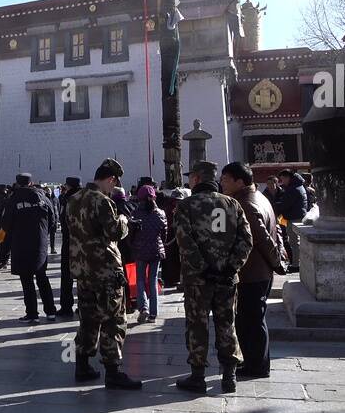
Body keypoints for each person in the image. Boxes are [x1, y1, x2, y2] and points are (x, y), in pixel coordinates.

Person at [174, 162, 253, 395]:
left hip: (198, 280)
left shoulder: (187, 205)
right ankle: (229, 376)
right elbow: (246, 240)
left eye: (191, 177)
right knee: (226, 323)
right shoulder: (232, 204)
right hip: (227, 279)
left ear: (197, 179)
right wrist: (231, 267)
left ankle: (198, 376)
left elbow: (184, 241)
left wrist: (202, 267)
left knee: (197, 325)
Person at [65, 159, 142, 390]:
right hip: (105, 269)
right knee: (113, 319)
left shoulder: (73, 200)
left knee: (87, 319)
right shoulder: (102, 201)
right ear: (111, 179)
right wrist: (124, 219)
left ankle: (82, 364)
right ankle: (113, 370)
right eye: (114, 184)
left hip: (82, 269)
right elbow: (115, 232)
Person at [220, 162, 285, 382]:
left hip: (252, 272)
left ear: (239, 181)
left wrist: (277, 261)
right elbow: (276, 233)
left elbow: (261, 238)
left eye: (226, 179)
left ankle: (257, 366)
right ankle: (254, 362)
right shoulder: (260, 198)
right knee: (251, 319)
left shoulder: (245, 203)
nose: (222, 183)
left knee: (252, 321)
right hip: (259, 271)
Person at [2, 173, 57, 324]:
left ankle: (32, 313)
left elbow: (6, 224)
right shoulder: (44, 198)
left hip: (21, 244)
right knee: (42, 278)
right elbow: (53, 220)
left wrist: (0, 242)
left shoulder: (14, 199)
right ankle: (51, 311)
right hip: (40, 244)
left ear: (17, 184)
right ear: (31, 182)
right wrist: (44, 234)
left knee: (27, 280)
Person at [130, 185, 167, 324]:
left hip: (140, 251)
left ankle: (143, 307)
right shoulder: (161, 213)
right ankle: (153, 313)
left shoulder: (135, 213)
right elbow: (164, 234)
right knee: (153, 279)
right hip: (156, 250)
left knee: (140, 280)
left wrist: (133, 245)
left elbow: (131, 234)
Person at [56, 177, 82, 317]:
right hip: (83, 242)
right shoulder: (85, 198)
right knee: (82, 277)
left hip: (69, 241)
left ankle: (66, 306)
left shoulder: (67, 199)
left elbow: (65, 221)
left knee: (66, 276)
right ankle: (82, 305)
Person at [276, 169, 307, 273]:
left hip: (294, 217)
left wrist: (275, 207)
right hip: (298, 216)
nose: (282, 181)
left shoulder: (293, 189)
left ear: (288, 177)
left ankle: (296, 265)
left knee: (294, 242)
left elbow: (285, 204)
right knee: (296, 242)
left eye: (283, 179)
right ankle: (297, 263)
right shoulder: (298, 186)